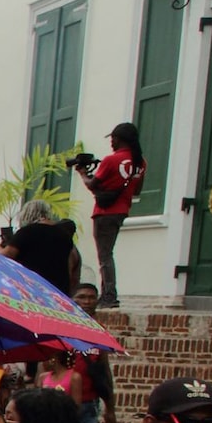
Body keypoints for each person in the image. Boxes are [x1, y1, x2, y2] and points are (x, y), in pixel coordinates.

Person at [80, 123, 146, 308]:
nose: (111, 142)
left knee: (105, 255)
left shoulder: (111, 160)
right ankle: (109, 293)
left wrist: (83, 173)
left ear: (119, 138)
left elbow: (92, 185)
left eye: (112, 138)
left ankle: (109, 295)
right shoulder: (140, 162)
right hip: (122, 210)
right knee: (108, 253)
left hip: (105, 212)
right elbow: (137, 190)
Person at [6, 200, 80, 296]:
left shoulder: (26, 232)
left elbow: (6, 255)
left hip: (31, 289)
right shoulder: (64, 235)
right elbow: (69, 269)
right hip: (57, 291)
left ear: (28, 214)